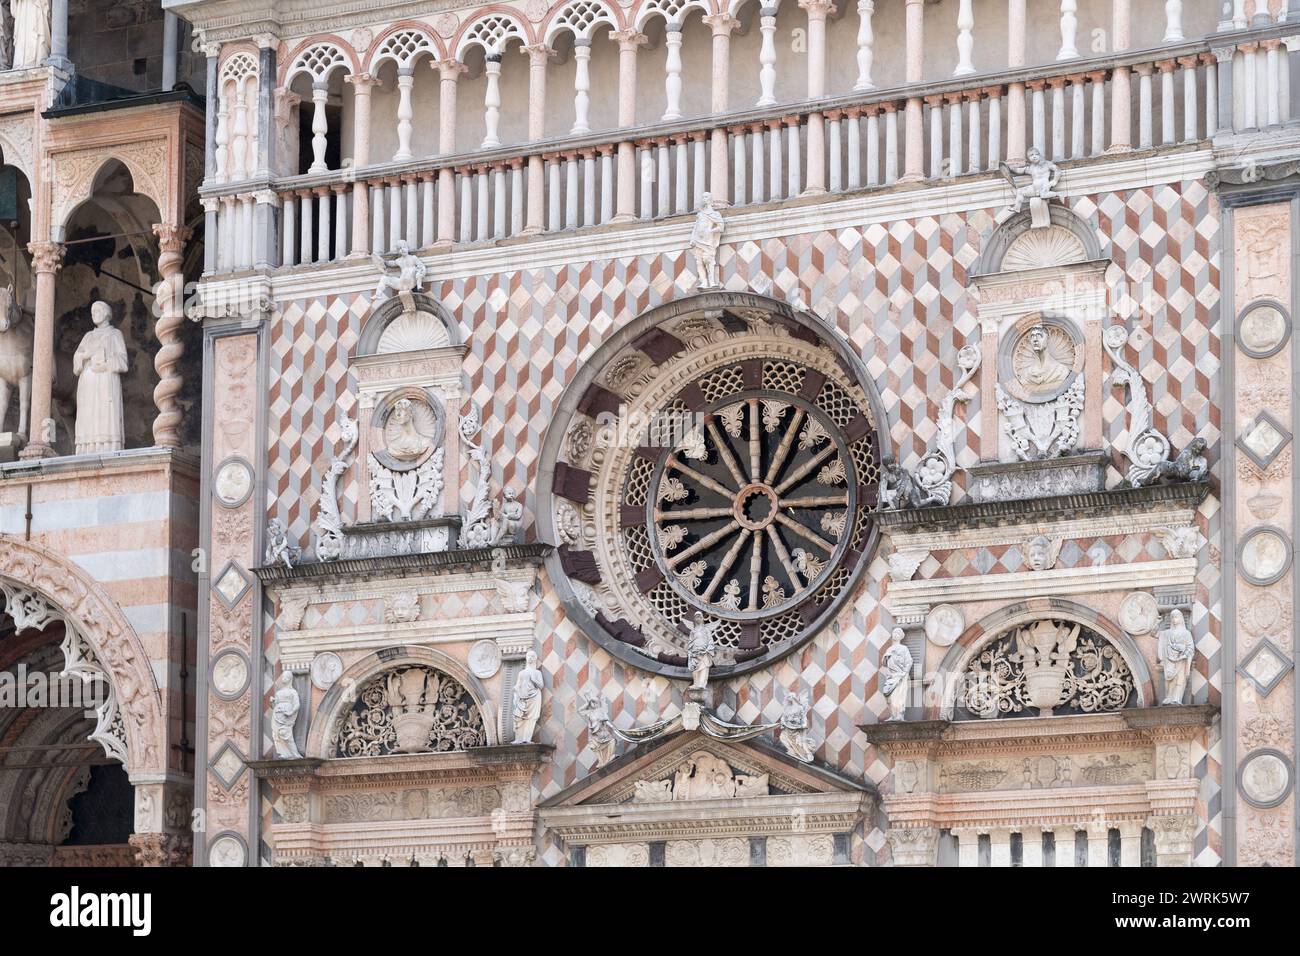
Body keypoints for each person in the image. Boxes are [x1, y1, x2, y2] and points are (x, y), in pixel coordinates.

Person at [73, 301, 128, 454]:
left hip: (106, 381)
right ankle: (87, 448)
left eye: (97, 311)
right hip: (87, 384)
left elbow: (123, 362)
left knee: (106, 416)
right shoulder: (88, 336)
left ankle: (108, 447)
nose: (93, 314)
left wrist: (106, 364)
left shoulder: (115, 334)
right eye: (92, 311)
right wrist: (85, 356)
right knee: (88, 415)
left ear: (106, 313)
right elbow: (77, 358)